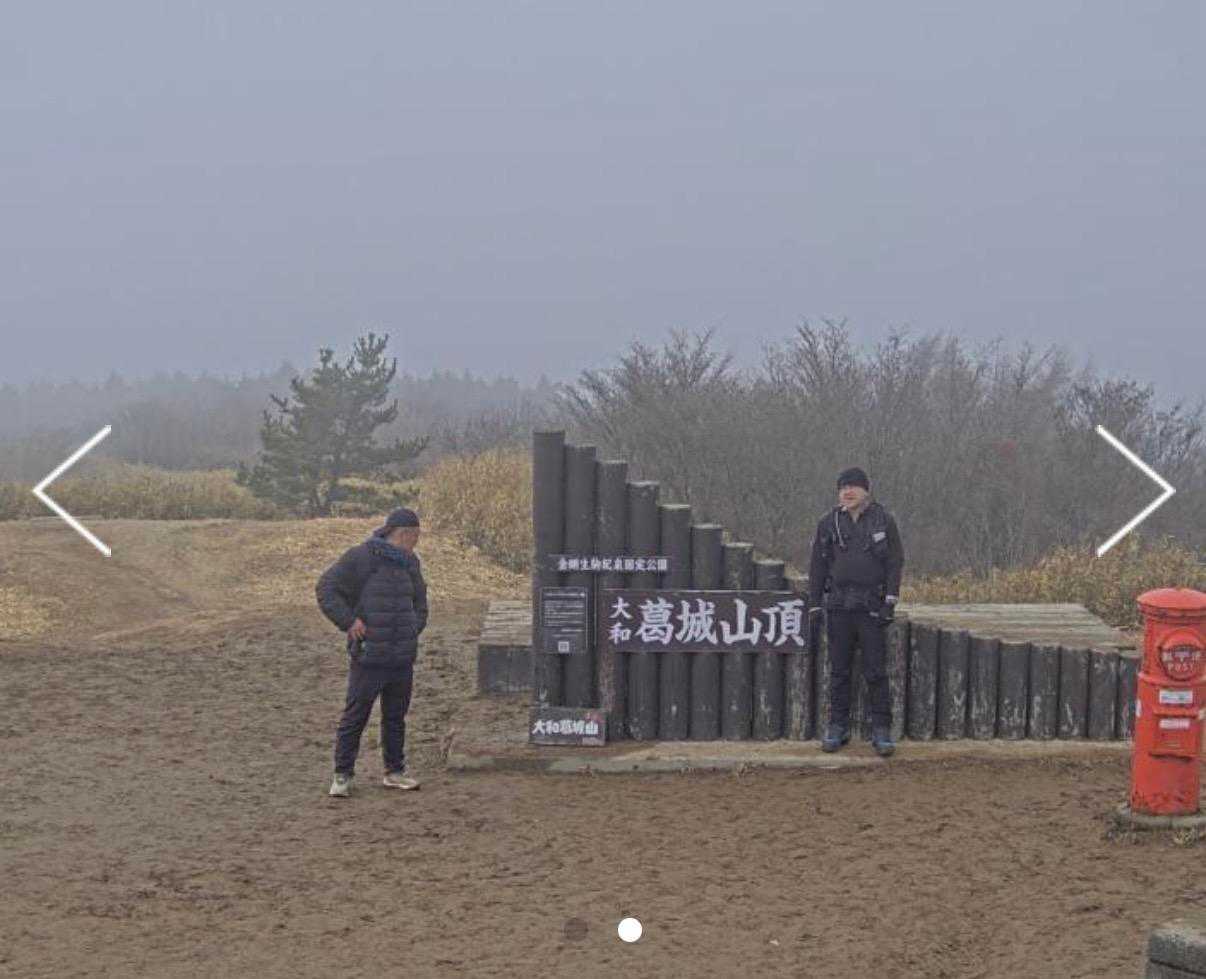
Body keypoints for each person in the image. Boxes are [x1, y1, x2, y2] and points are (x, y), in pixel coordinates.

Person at [316, 507, 429, 797]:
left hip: (402, 657)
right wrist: (348, 622)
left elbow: (421, 603)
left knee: (395, 717)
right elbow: (326, 588)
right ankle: (342, 775)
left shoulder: (411, 563)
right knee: (356, 715)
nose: (416, 541)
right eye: (414, 536)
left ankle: (394, 771)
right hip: (369, 655)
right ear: (401, 533)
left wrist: (412, 628)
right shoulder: (361, 557)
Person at [807, 467, 905, 757]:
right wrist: (814, 603)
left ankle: (881, 730)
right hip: (838, 606)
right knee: (838, 671)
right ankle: (837, 726)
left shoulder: (884, 520)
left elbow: (895, 562)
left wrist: (890, 601)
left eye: (853, 487)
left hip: (871, 607)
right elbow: (817, 565)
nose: (847, 492)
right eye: (842, 488)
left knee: (875, 671)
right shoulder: (828, 523)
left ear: (866, 491)